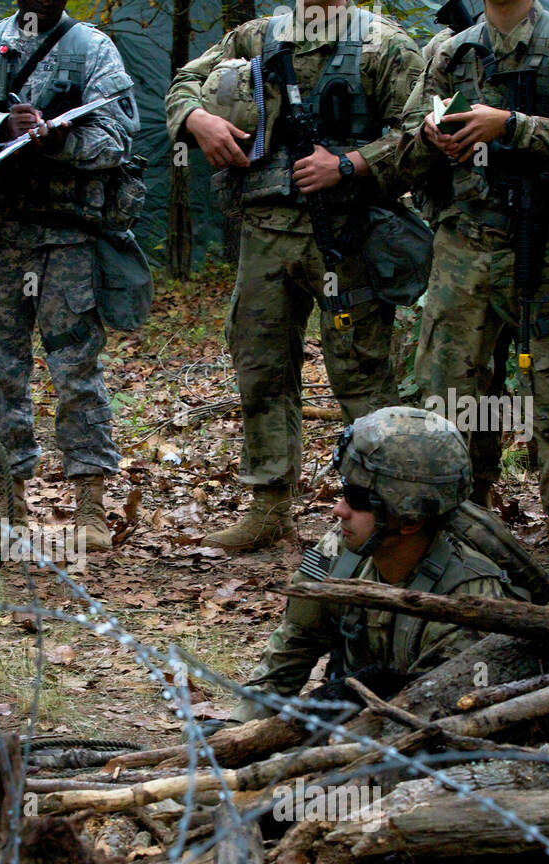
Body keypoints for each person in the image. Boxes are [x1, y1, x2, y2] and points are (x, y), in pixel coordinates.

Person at [166, 0, 424, 552]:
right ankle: (269, 506)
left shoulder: (386, 45)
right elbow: (183, 84)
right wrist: (198, 119)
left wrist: (350, 163)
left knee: (360, 378)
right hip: (264, 233)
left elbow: (420, 137)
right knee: (261, 368)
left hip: (347, 237)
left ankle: (380, 512)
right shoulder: (257, 37)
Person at [399, 0, 549, 557]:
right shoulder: (449, 53)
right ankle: (458, 530)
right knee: (450, 399)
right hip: (464, 248)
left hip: (547, 247)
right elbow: (404, 143)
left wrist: (514, 126)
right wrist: (433, 137)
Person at [0, 0, 140, 551]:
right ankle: (9, 503)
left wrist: (62, 140)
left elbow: (120, 135)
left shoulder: (92, 50)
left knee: (76, 371)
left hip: (65, 239)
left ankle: (89, 506)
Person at [229, 406, 507, 723]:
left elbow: (447, 717)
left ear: (410, 521)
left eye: (358, 501)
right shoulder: (338, 549)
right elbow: (292, 646)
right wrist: (240, 725)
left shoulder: (465, 601)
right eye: (343, 492)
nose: (338, 510)